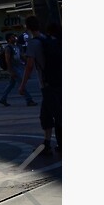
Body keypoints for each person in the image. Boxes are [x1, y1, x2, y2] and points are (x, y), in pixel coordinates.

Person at [18, 15, 61, 155]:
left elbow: (30, 66)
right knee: (46, 115)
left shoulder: (33, 43)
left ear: (27, 27)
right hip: (56, 81)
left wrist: (23, 85)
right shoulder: (47, 39)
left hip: (46, 84)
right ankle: (47, 144)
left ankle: (60, 145)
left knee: (55, 115)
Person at [0, 33, 36, 107]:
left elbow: (20, 56)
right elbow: (7, 60)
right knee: (22, 83)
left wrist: (26, 62)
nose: (15, 38)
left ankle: (3, 98)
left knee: (11, 84)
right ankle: (29, 100)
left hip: (18, 66)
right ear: (9, 39)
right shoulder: (8, 48)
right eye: (12, 37)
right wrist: (11, 71)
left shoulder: (16, 46)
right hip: (14, 68)